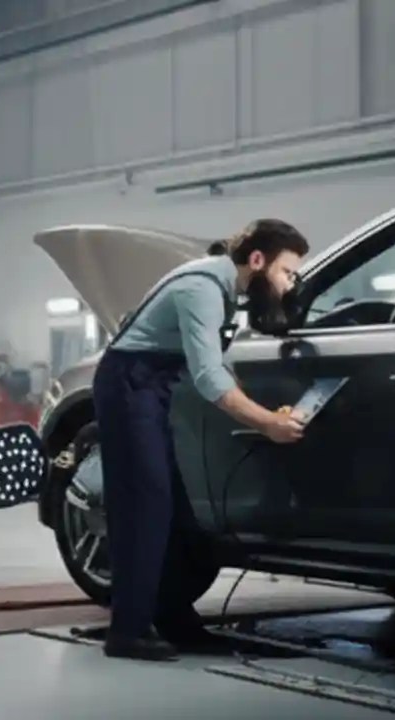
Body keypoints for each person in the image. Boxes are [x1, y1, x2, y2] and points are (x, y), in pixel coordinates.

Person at [93, 218, 310, 662]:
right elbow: (210, 376)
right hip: (129, 385)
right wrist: (267, 423)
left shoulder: (222, 287)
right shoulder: (204, 291)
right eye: (287, 273)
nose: (290, 284)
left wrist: (264, 410)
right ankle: (127, 631)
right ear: (256, 260)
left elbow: (215, 363)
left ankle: (172, 619)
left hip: (148, 387)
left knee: (173, 509)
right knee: (145, 505)